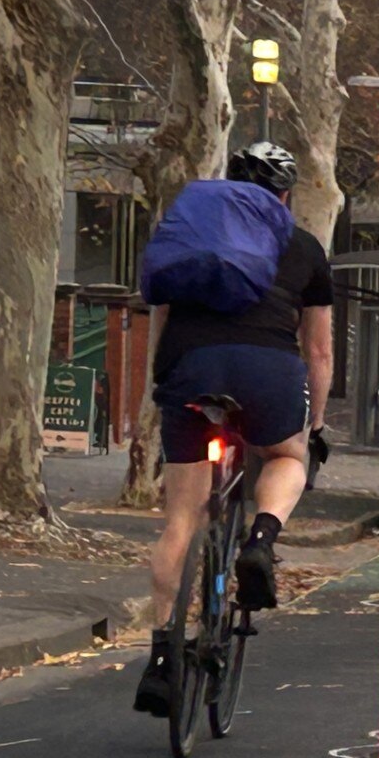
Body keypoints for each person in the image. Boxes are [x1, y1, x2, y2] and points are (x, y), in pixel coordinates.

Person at [134, 142, 334, 718]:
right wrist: (315, 424)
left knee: (181, 519)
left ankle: (161, 657)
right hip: (267, 370)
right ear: (285, 196)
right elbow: (319, 351)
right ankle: (261, 542)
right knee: (287, 456)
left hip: (191, 367)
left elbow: (161, 319)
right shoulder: (303, 246)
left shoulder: (192, 237)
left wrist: (161, 387)